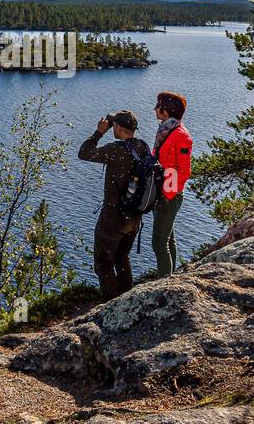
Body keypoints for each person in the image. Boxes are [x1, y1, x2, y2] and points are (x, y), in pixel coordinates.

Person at [78, 109, 150, 300]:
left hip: (113, 216)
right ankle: (126, 297)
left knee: (103, 261)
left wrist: (99, 132)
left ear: (117, 127)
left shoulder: (115, 150)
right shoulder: (143, 146)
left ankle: (110, 301)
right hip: (135, 216)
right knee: (121, 256)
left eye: (113, 125)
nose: (112, 128)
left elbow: (84, 153)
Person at [151, 91, 192, 276]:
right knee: (168, 239)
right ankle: (171, 279)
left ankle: (164, 284)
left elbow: (184, 171)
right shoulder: (166, 130)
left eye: (158, 105)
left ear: (166, 111)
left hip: (170, 196)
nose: (155, 109)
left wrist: (167, 195)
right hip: (161, 193)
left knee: (159, 243)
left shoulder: (181, 136)